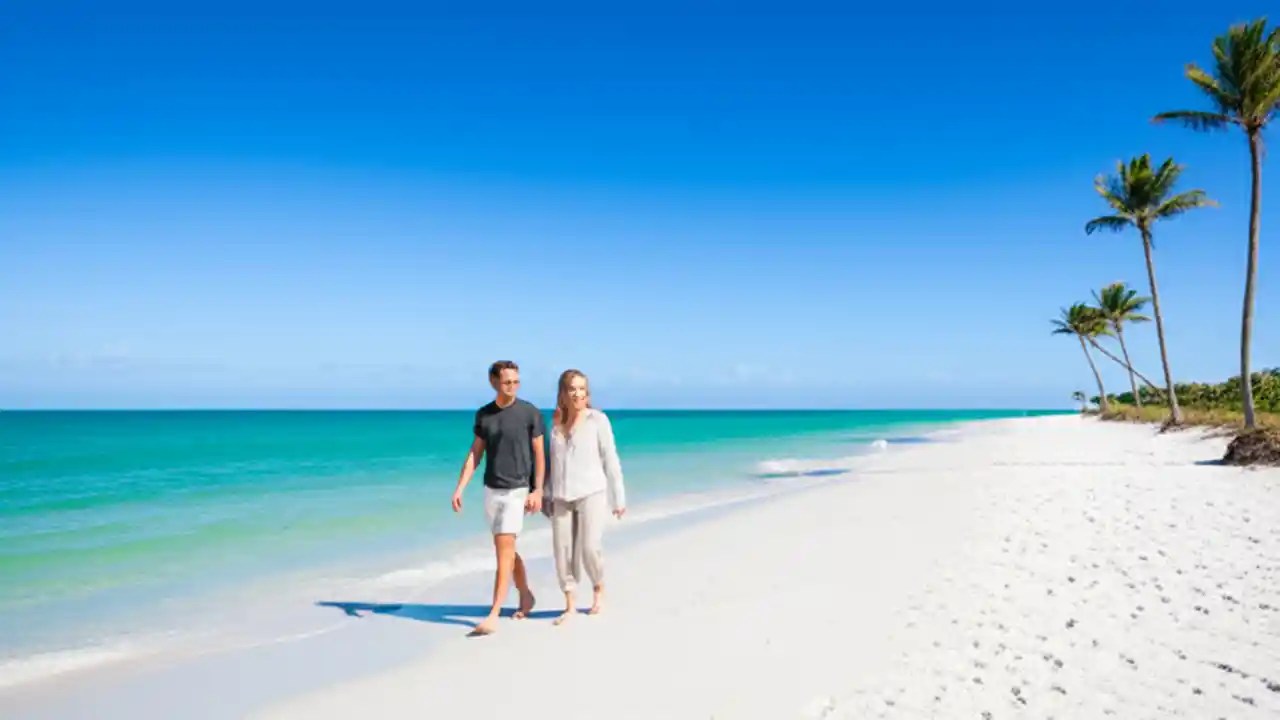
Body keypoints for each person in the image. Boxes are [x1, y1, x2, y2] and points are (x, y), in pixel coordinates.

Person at [451, 360, 545, 636]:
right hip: (492, 489)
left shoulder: (530, 413)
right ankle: (525, 594)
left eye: (516, 381)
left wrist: (537, 489)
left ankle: (493, 613)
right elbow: (475, 453)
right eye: (507, 382)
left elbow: (540, 454)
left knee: (503, 549)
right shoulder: (484, 415)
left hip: (517, 490)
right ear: (493, 382)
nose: (512, 386)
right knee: (506, 549)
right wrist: (460, 488)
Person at [546, 369, 626, 625]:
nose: (578, 394)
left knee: (590, 548)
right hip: (561, 495)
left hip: (592, 491)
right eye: (572, 389)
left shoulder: (597, 420)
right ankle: (569, 604)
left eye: (582, 388)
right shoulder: (556, 424)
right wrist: (546, 494)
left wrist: (618, 497)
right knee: (563, 553)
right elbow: (552, 463)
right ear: (563, 393)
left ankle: (598, 586)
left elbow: (610, 459)